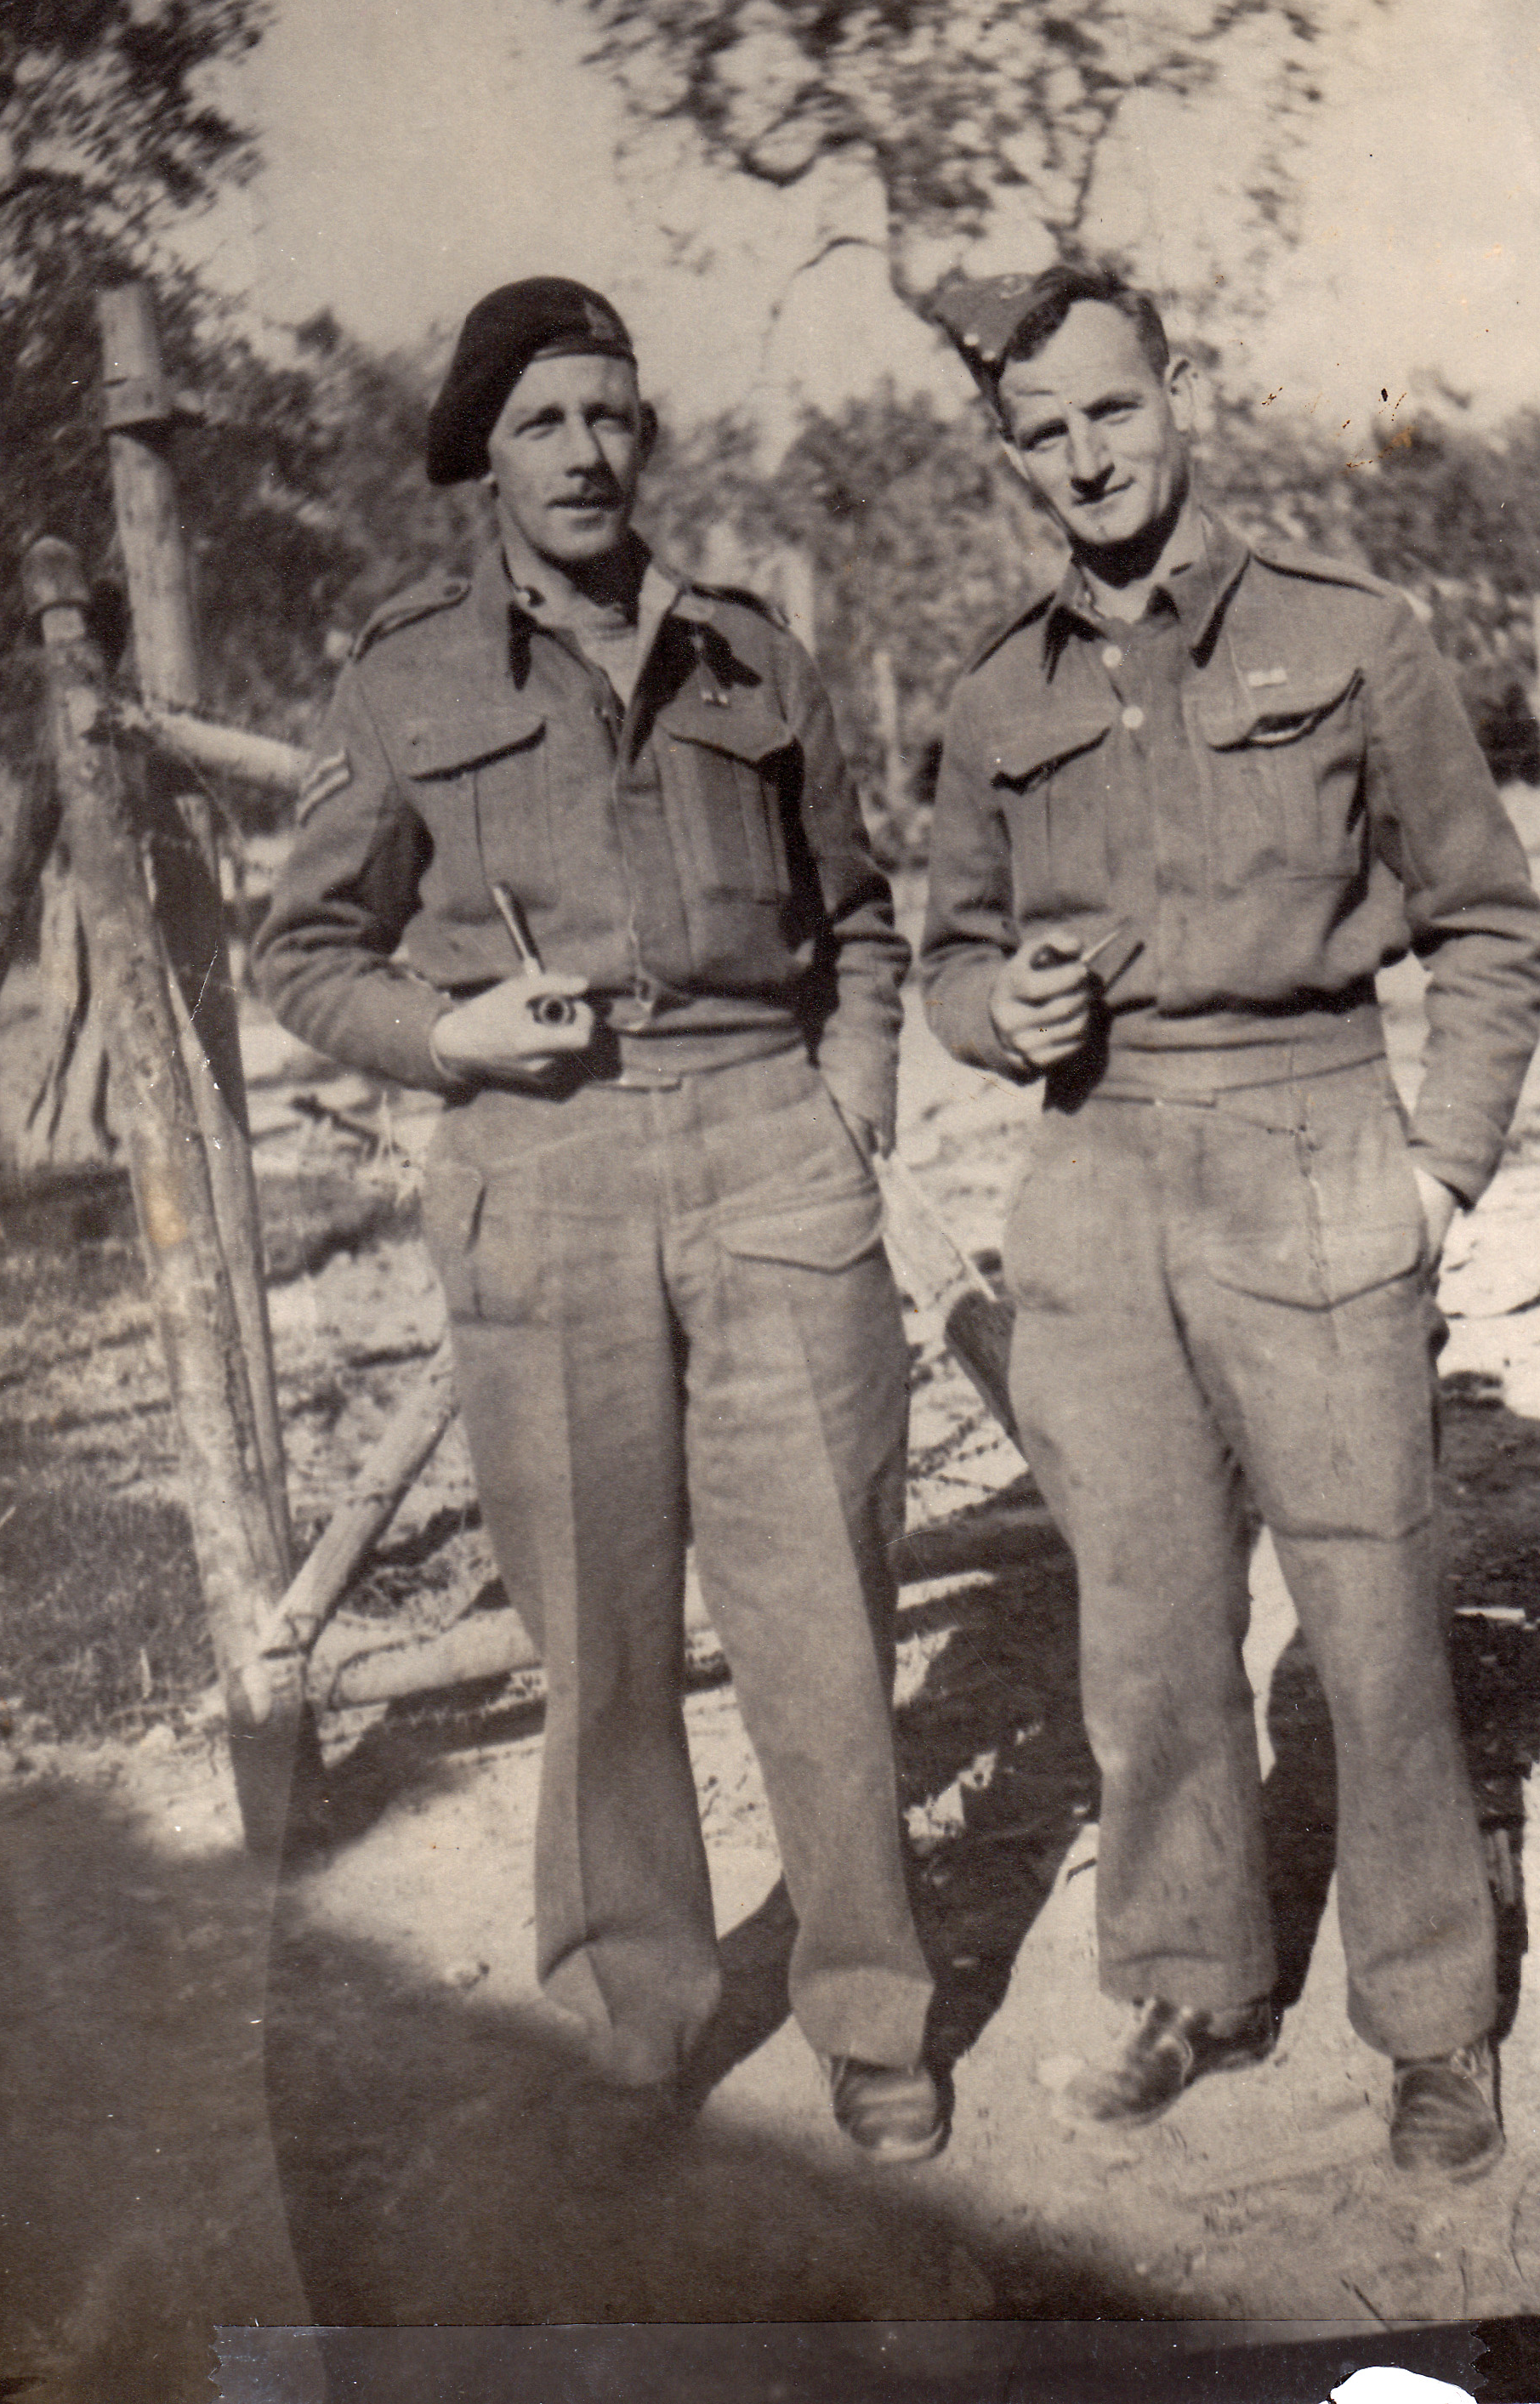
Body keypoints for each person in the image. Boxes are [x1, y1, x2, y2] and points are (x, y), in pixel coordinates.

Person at [253, 277, 945, 2163]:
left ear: (648, 441)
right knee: (602, 1635)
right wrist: (443, 1032)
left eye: (612, 417)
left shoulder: (747, 655)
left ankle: (871, 2015)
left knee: (824, 1618)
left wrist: (854, 1084)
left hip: (767, 1147)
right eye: (545, 420)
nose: (583, 452)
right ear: (483, 450)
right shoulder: (401, 678)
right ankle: (635, 2026)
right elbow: (301, 955)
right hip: (540, 1160)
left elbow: (859, 914)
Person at [920, 262, 1540, 2181]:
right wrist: (992, 1017)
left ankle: (1434, 2020)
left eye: (1114, 410)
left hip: (1311, 1140)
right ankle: (1195, 1976)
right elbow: (948, 955)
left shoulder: (1352, 635)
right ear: (1014, 456)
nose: (1088, 456)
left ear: (1177, 392)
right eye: (1046, 433)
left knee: (1371, 1608)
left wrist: (1436, 1170)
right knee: (1149, 1623)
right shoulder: (992, 690)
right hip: (1097, 1179)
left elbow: (1491, 924)